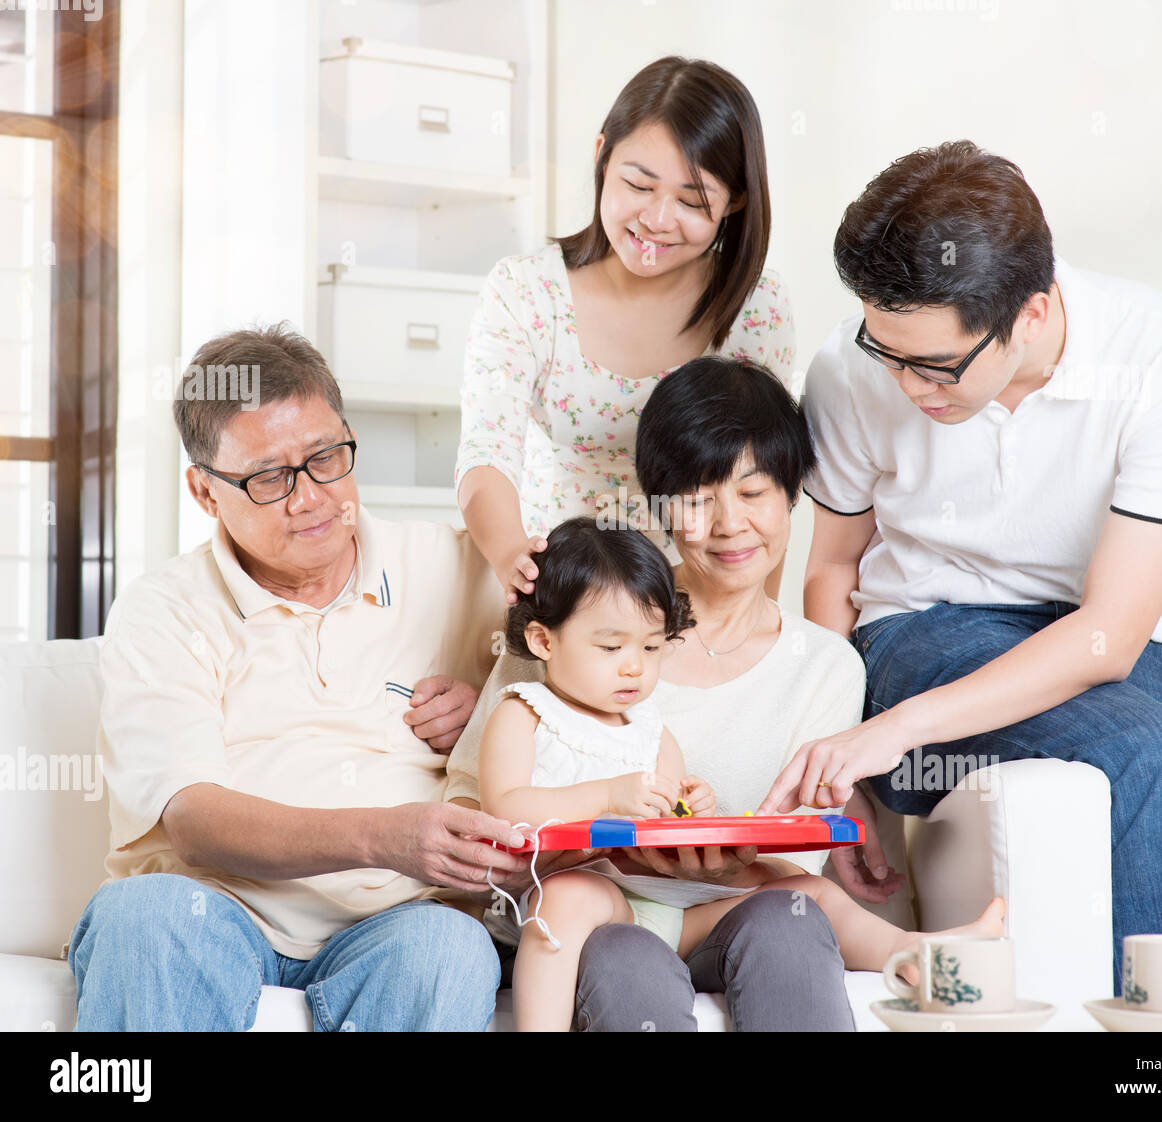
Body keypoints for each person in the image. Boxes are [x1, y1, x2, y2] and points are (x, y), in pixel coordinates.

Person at [759, 140, 1162, 1028]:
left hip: (1088, 629)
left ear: (1033, 311)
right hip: (919, 631)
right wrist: (854, 758)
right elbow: (830, 568)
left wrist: (891, 739)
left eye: (934, 366)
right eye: (883, 348)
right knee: (1148, 748)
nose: (904, 383)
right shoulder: (851, 368)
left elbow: (1110, 636)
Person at [69, 325, 589, 1032]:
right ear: (204, 491)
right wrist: (382, 836)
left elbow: (610, 689)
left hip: (397, 922)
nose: (310, 498)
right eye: (269, 476)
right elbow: (192, 820)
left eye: (325, 458)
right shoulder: (163, 609)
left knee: (449, 947)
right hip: (209, 907)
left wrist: (499, 718)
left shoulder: (457, 569)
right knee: (146, 918)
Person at [478, 517, 1005, 1032]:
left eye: (651, 647)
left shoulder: (651, 729)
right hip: (597, 903)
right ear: (544, 642)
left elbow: (672, 817)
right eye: (611, 647)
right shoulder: (525, 713)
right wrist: (608, 795)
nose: (635, 667)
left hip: (674, 906)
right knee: (570, 894)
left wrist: (693, 807)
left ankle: (913, 951)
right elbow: (503, 806)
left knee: (799, 890)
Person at [454, 55, 796, 607]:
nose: (657, 220)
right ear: (601, 157)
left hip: (698, 603)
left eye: (691, 200)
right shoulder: (526, 291)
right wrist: (512, 557)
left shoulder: (755, 310)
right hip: (560, 592)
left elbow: (769, 490)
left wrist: (758, 625)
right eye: (638, 185)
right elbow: (486, 453)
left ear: (734, 202)